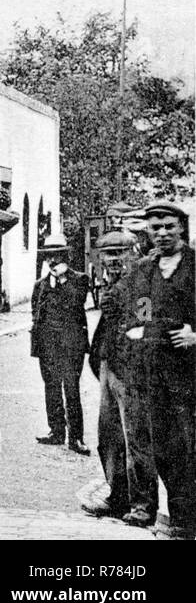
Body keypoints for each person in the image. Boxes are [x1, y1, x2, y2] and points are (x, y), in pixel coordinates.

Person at [119, 201, 195, 539]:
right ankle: (179, 519)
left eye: (169, 226)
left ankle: (188, 518)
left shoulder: (194, 265)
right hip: (152, 370)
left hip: (189, 371)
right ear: (147, 232)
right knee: (163, 446)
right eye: (155, 228)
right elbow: (141, 314)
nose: (162, 233)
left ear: (181, 227)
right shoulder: (143, 270)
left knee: (189, 445)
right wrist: (140, 329)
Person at [83, 231, 156, 522]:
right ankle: (117, 495)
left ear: (133, 252)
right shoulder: (109, 285)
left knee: (136, 439)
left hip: (132, 372)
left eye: (119, 253)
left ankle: (143, 504)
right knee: (109, 437)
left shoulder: (142, 286)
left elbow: (146, 325)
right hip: (108, 367)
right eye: (107, 255)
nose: (113, 260)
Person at [30, 232, 91, 455]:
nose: (52, 261)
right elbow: (36, 312)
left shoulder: (80, 280)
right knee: (51, 387)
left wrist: (63, 281)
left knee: (72, 390)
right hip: (48, 346)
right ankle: (56, 431)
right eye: (48, 257)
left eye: (56, 256)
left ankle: (76, 437)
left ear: (65, 256)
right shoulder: (40, 284)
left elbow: (76, 302)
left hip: (71, 346)